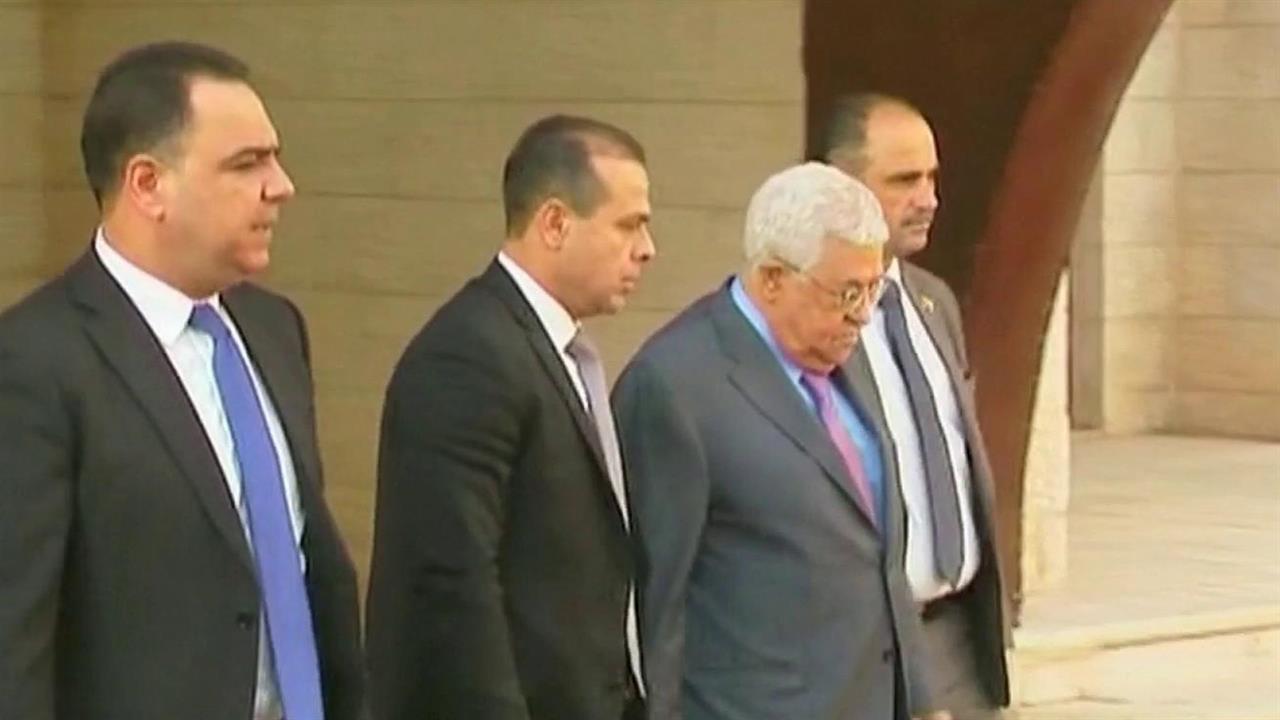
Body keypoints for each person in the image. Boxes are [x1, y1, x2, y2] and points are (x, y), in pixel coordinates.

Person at [0, 42, 364, 720]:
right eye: (247, 164)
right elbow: (13, 643)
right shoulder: (34, 362)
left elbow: (303, 563)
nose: (281, 186)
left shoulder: (275, 329)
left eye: (275, 158)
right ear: (148, 185)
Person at [613, 162, 946, 720]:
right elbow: (654, 606)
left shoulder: (842, 352)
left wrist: (921, 702)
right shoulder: (674, 387)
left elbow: (878, 560)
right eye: (847, 293)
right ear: (772, 278)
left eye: (873, 290)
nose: (863, 315)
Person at [365, 114, 656, 720]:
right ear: (554, 223)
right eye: (628, 225)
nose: (646, 249)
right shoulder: (468, 356)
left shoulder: (555, 352)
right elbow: (451, 583)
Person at [820, 93, 1011, 719]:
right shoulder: (809, 323)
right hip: (867, 650)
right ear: (840, 187)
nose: (928, 198)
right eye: (904, 180)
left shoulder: (934, 303)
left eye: (932, 178)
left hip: (959, 646)